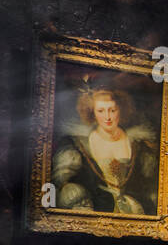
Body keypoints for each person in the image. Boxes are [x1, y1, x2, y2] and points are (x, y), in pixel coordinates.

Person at [52, 87, 159, 215]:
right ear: (92, 112)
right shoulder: (78, 144)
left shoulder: (139, 144)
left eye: (112, 110)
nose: (107, 117)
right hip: (98, 209)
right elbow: (62, 184)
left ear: (121, 110)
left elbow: (150, 187)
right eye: (101, 111)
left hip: (135, 211)